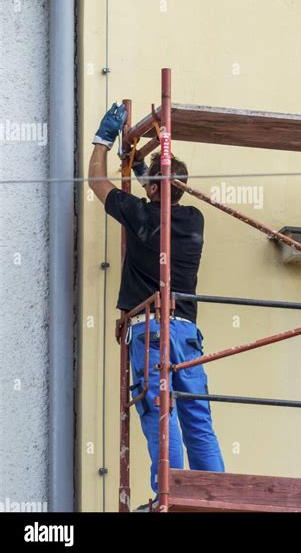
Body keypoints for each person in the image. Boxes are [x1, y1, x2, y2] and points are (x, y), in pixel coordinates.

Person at [88, 103, 225, 511]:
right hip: (186, 333)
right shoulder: (194, 221)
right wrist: (140, 166)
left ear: (152, 187)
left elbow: (97, 182)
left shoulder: (139, 215)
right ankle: (212, 495)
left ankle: (170, 494)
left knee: (157, 413)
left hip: (150, 331)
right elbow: (159, 197)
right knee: (197, 415)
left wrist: (103, 141)